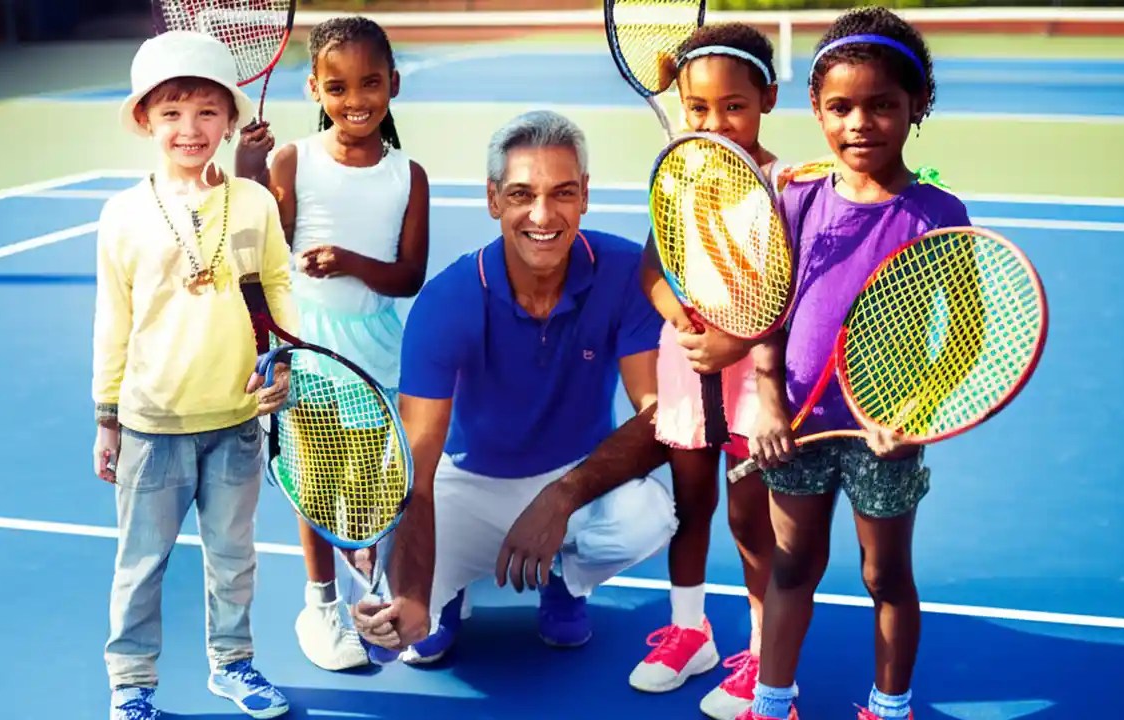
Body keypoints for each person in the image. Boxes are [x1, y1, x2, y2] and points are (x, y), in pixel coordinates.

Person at [352, 110, 733, 664]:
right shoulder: (447, 302)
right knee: (400, 627)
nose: (542, 214)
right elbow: (419, 467)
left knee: (649, 515)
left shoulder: (625, 272)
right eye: (521, 194)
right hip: (467, 485)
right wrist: (409, 598)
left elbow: (659, 414)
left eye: (562, 193)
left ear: (585, 196)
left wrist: (561, 499)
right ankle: (443, 595)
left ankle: (563, 577)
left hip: (576, 476)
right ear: (493, 200)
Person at [740, 8, 969, 720]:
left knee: (885, 575)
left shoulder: (938, 214)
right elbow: (768, 315)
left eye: (882, 106)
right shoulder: (796, 200)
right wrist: (768, 400)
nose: (859, 124)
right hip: (795, 424)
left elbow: (962, 340)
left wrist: (914, 415)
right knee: (791, 567)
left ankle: (889, 707)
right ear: (816, 109)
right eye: (840, 108)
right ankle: (772, 704)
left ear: (917, 105)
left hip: (885, 433)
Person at [92, 30, 297, 720]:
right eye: (172, 111)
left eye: (208, 111)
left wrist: (283, 358)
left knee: (233, 559)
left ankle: (233, 665)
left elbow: (276, 285)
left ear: (231, 120)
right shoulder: (122, 215)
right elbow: (113, 319)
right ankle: (131, 685)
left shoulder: (255, 202)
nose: (190, 128)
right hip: (152, 426)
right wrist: (107, 416)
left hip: (237, 420)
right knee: (141, 563)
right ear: (145, 119)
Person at [235, 15, 430, 673]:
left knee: (370, 490)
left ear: (393, 84)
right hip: (307, 350)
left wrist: (349, 260)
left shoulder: (409, 175)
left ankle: (371, 589)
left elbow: (409, 275)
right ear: (314, 90)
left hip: (375, 354)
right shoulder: (294, 160)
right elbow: (261, 249)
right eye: (338, 87)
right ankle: (320, 607)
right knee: (314, 485)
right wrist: (249, 170)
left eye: (370, 83)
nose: (356, 100)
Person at [628, 23, 788, 720]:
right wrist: (682, 318)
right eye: (698, 108)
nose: (714, 123)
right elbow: (651, 269)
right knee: (690, 508)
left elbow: (794, 297)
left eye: (734, 106)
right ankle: (689, 632)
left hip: (755, 375)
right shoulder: (680, 174)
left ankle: (763, 654)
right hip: (689, 364)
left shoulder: (787, 186)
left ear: (768, 100)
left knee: (752, 522)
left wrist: (735, 341)